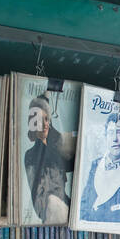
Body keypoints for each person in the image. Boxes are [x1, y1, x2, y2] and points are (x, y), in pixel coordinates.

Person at [23, 94, 76, 223]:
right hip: (52, 214)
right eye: (41, 120)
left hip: (67, 212)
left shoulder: (56, 150)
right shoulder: (31, 155)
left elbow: (73, 164)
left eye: (47, 119)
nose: (45, 124)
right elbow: (38, 195)